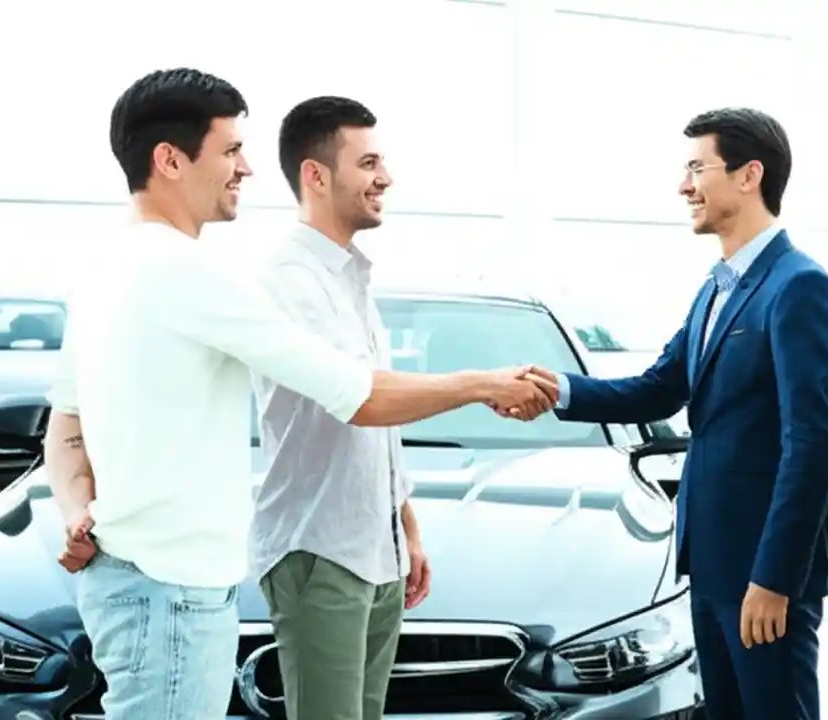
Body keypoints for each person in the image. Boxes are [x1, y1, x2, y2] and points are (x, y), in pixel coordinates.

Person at [43, 68, 553, 720]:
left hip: (137, 582)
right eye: (229, 150)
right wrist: (482, 383)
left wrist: (75, 508)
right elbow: (355, 396)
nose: (246, 169)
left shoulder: (103, 270)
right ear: (170, 159)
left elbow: (66, 428)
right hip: (172, 592)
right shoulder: (189, 272)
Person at [527, 108, 828, 720]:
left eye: (697, 168)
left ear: (750, 175)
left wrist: (775, 578)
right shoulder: (717, 287)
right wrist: (556, 389)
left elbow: (811, 444)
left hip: (763, 576)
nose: (684, 186)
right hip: (710, 566)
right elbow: (657, 389)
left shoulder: (799, 286)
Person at [248, 96, 419, 720]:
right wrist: (482, 385)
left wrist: (406, 525)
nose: (386, 177)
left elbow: (380, 431)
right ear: (316, 176)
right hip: (320, 552)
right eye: (368, 161)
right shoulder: (290, 280)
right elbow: (362, 401)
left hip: (376, 550)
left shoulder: (351, 279)